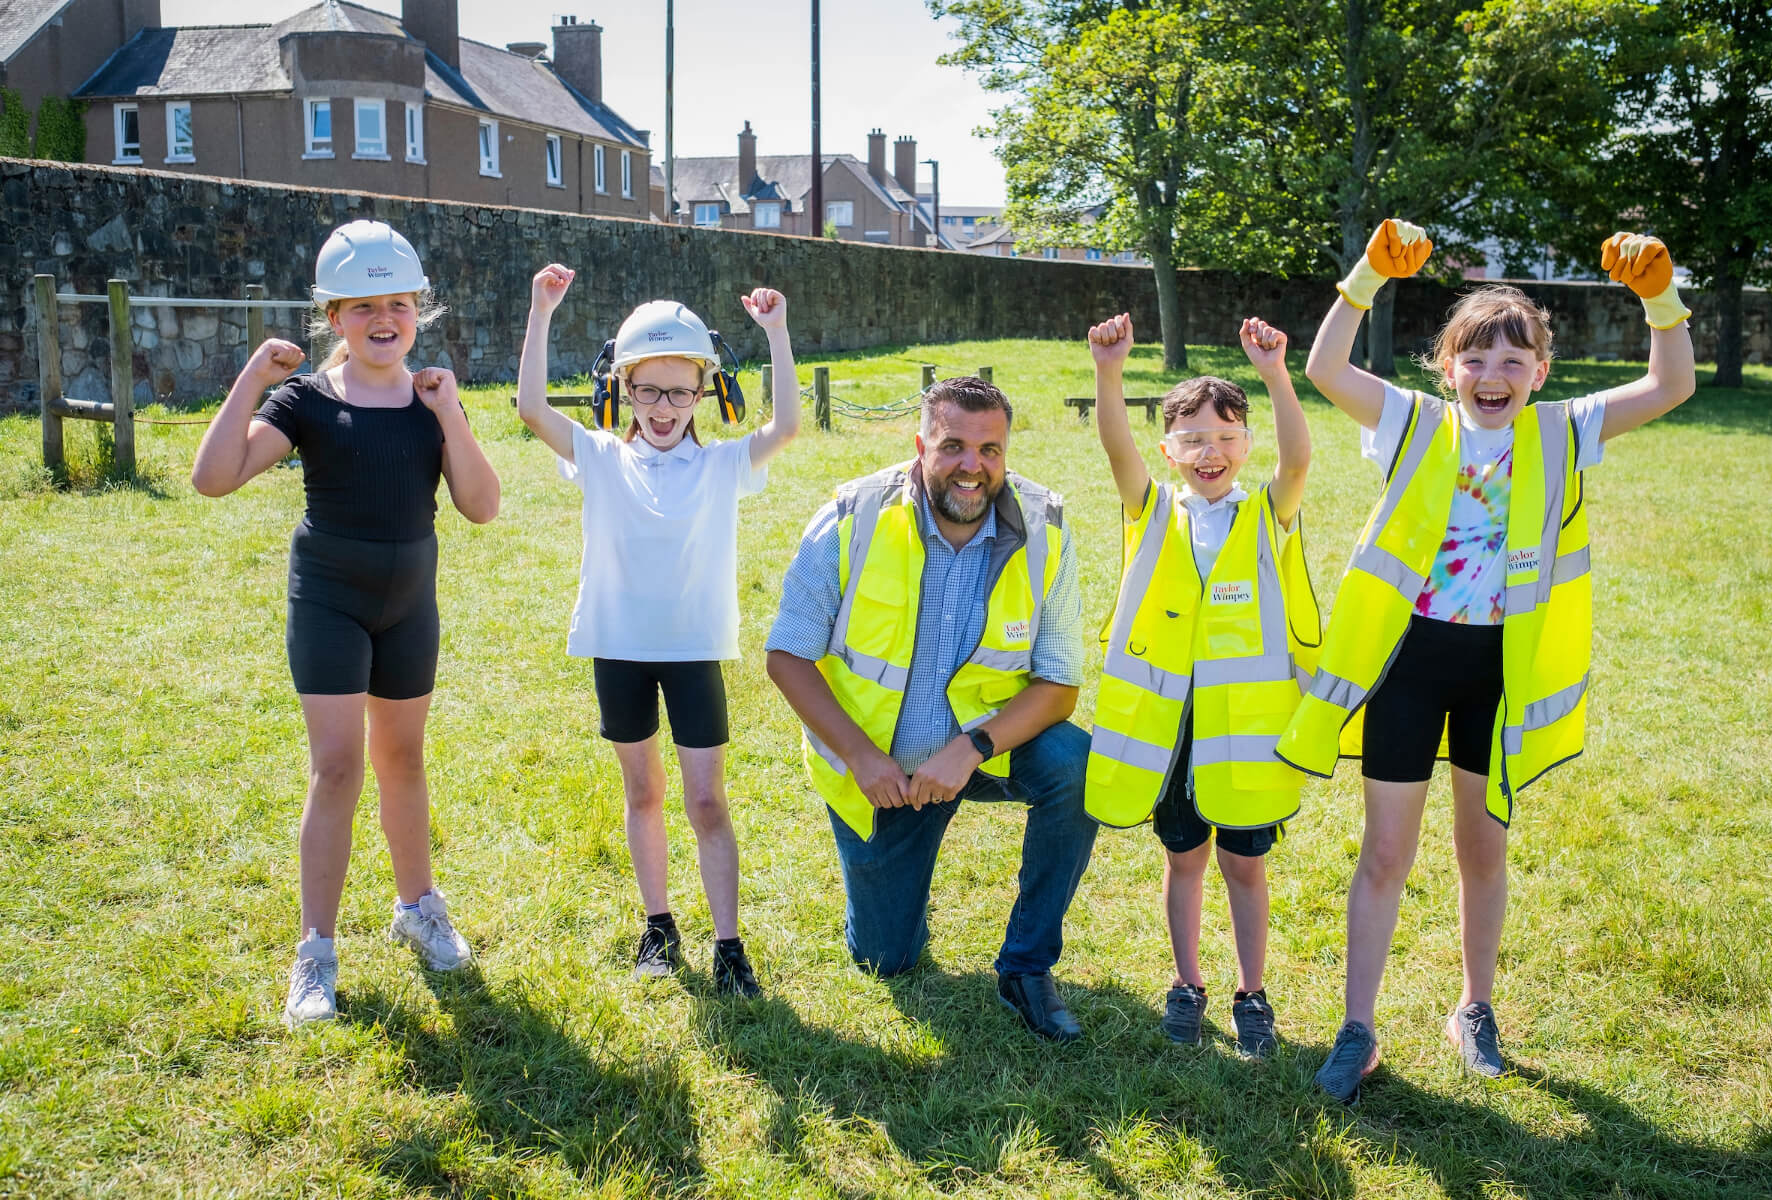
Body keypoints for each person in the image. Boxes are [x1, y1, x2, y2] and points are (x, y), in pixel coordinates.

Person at [1283, 220, 1697, 1101]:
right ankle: (1357, 1030)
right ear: (1448, 368)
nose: (1493, 375)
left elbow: (1672, 384)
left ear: (1541, 373)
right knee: (1384, 853)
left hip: (1496, 674)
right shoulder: (1413, 422)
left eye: (1514, 359)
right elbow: (1325, 368)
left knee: (1482, 849)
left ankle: (1474, 1008)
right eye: (1475, 359)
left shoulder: (1564, 431)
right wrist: (1364, 279)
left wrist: (1660, 299)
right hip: (1408, 662)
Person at [190, 219, 501, 1029]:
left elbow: (482, 506)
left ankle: (417, 908)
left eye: (398, 304)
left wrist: (452, 412)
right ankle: (315, 953)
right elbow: (213, 478)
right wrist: (254, 377)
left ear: (418, 310)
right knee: (336, 768)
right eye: (363, 306)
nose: (383, 319)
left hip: (410, 604)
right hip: (330, 600)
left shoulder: (430, 399)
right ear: (333, 317)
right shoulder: (305, 401)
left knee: (404, 759)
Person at [764, 376, 1096, 1041]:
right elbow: (786, 657)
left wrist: (970, 749)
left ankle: (1027, 966)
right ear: (920, 447)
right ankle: (894, 904)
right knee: (885, 959)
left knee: (1079, 766)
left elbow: (1059, 687)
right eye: (953, 447)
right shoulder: (852, 518)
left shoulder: (1044, 527)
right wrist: (863, 759)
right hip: (882, 774)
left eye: (990, 450)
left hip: (987, 750)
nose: (972, 466)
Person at [515, 266, 800, 997]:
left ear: (704, 392)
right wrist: (542, 312)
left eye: (679, 391)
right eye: (647, 390)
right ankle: (659, 925)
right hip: (619, 652)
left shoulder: (723, 465)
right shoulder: (600, 457)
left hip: (694, 654)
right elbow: (531, 407)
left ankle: (729, 946)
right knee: (643, 793)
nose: (663, 407)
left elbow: (787, 427)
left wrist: (776, 332)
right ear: (623, 389)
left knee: (707, 802)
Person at [1083, 313, 1317, 1057]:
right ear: (1168, 451)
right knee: (1184, 860)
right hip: (1171, 728)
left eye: (1224, 437)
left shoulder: (1268, 513)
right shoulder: (1152, 510)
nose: (1208, 453)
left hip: (1247, 732)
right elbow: (1115, 448)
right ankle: (1187, 985)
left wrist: (1276, 374)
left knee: (1244, 865)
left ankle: (1253, 993)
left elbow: (1300, 459)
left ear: (1246, 445)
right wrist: (1109, 372)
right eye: (1191, 440)